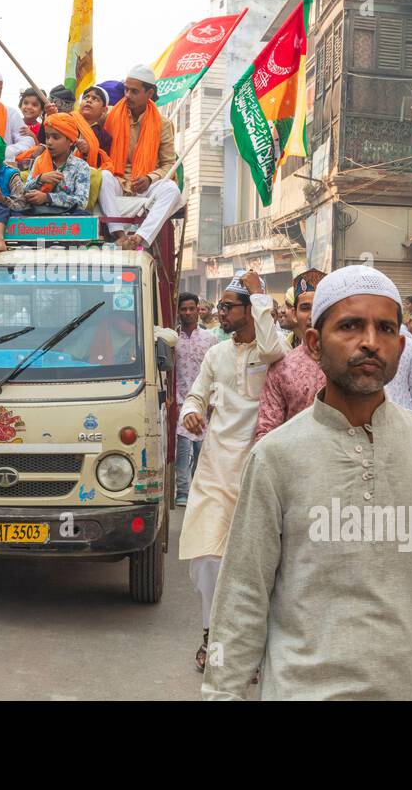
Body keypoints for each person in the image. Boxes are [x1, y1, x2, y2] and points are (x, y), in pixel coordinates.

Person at [203, 265, 412, 701]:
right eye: (351, 326)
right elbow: (242, 593)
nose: (370, 341)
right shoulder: (277, 456)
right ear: (314, 343)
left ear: (399, 343)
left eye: (385, 328)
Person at [177, 270, 283, 672]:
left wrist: (259, 295)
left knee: (256, 564)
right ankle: (212, 638)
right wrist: (191, 412)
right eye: (219, 306)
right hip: (216, 467)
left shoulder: (271, 349)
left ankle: (252, 648)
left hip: (259, 469)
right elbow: (196, 394)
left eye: (226, 306)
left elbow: (273, 347)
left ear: (247, 309)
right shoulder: (216, 354)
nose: (218, 312)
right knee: (207, 558)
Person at [98, 65, 184, 250]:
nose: (127, 95)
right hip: (118, 180)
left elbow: (169, 164)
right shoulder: (111, 116)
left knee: (171, 190)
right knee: (103, 176)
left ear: (149, 93)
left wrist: (149, 178)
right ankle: (120, 235)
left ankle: (139, 238)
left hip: (144, 184)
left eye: (134, 91)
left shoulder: (163, 124)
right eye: (126, 90)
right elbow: (83, 122)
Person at [253, 270, 327, 443]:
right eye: (305, 308)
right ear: (294, 314)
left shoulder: (349, 363)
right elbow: (266, 432)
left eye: (319, 306)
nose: (311, 315)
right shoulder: (282, 368)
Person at [174, 292, 217, 507]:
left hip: (204, 404)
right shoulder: (172, 340)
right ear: (179, 311)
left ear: (198, 309)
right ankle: (182, 490)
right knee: (182, 450)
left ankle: (198, 489)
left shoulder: (210, 339)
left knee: (201, 450)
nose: (188, 313)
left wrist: (214, 399)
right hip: (180, 403)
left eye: (192, 308)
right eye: (184, 309)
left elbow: (217, 371)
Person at [26, 113, 92, 216]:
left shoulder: (81, 166)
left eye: (55, 137)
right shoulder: (40, 160)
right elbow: (24, 191)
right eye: (47, 137)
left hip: (67, 216)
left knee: (82, 214)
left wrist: (48, 198)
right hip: (39, 212)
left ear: (70, 141)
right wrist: (40, 179)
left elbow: (81, 202)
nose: (49, 142)